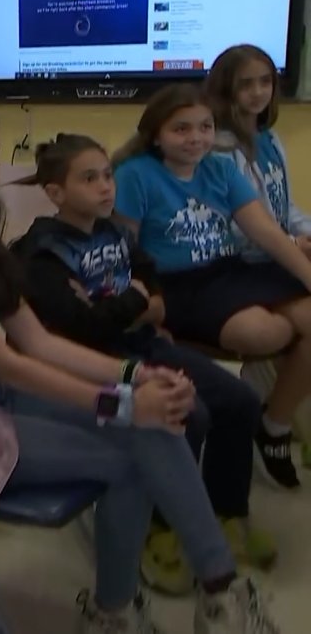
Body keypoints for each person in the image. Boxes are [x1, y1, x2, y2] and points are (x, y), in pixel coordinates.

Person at [0, 98, 277, 633]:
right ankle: (117, 611)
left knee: (155, 423)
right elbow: (9, 364)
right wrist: (122, 403)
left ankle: (219, 592)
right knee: (131, 452)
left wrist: (135, 377)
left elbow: (37, 342)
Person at [11, 134, 273, 595]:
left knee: (240, 401)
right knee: (186, 414)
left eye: (107, 176)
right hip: (96, 359)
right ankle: (159, 529)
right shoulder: (41, 252)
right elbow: (84, 326)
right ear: (55, 192)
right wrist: (134, 298)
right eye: (89, 179)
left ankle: (226, 512)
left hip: (143, 343)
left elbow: (153, 287)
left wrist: (130, 302)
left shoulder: (114, 231)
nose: (105, 187)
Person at [113, 83, 311, 490]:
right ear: (156, 134)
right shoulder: (135, 175)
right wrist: (147, 315)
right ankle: (256, 404)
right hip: (175, 285)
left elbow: (268, 233)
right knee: (266, 333)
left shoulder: (219, 167)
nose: (196, 138)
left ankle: (274, 425)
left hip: (226, 271)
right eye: (181, 129)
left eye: (205, 127)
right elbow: (123, 254)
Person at [205, 44, 311, 464]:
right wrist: (292, 246)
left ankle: (274, 421)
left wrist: (303, 234)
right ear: (225, 89)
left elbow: (284, 209)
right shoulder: (219, 149)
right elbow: (233, 226)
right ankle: (273, 422)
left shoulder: (269, 139)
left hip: (276, 258)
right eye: (245, 84)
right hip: (242, 266)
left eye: (265, 82)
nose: (257, 92)